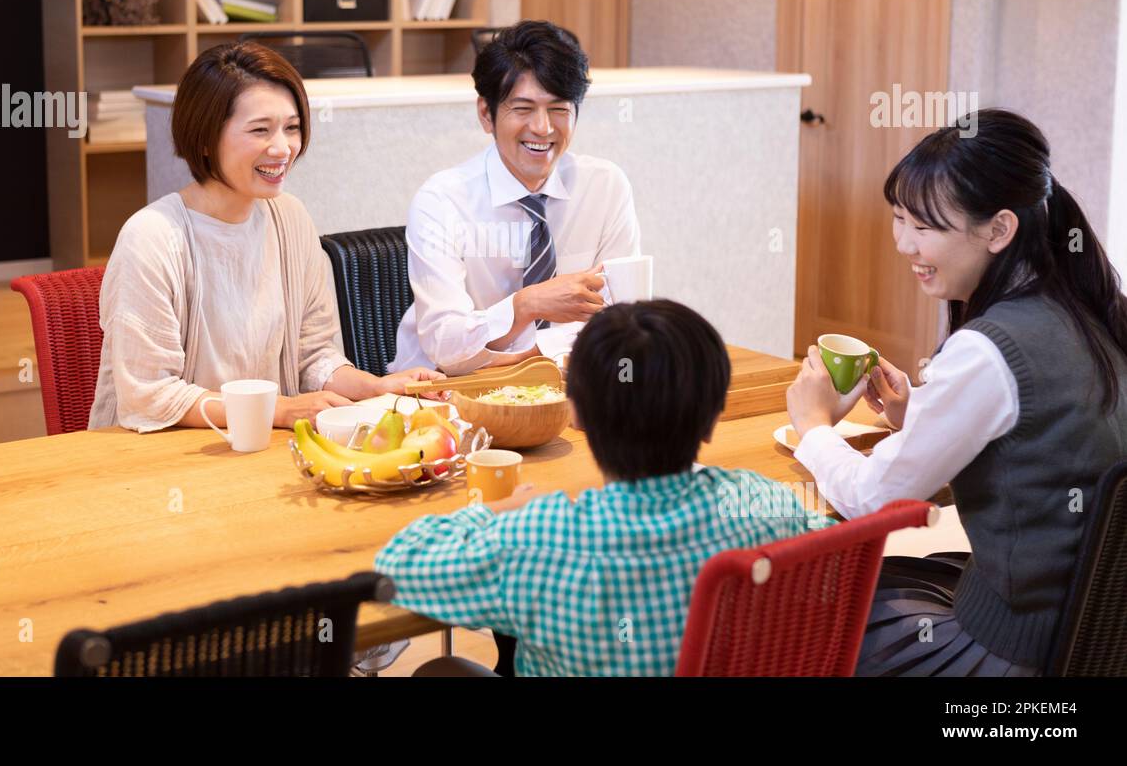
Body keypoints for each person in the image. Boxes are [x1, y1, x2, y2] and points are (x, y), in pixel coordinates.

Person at [785, 108, 1127, 676]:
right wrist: (916, 412)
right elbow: (1050, 435)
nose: (903, 244)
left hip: (1013, 652)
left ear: (999, 229)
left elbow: (873, 499)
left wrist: (814, 426)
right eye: (899, 218)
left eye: (925, 227)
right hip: (1093, 637)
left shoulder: (990, 349)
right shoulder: (1095, 310)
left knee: (811, 611)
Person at [375, 299, 830, 676]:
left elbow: (397, 565)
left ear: (576, 415)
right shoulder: (761, 504)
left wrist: (496, 511)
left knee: (440, 670)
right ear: (713, 418)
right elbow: (837, 546)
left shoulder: (538, 536)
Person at [88, 42, 441, 433]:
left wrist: (376, 388)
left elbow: (313, 356)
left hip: (260, 449)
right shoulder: (153, 237)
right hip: (160, 458)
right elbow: (151, 396)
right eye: (260, 130)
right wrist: (279, 411)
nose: (283, 148)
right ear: (205, 138)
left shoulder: (290, 219)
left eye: (291, 127)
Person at [389, 20, 641, 376]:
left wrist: (534, 354)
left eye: (558, 108)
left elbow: (622, 322)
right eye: (522, 108)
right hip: (444, 393)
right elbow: (445, 345)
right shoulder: (442, 200)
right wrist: (528, 305)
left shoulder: (606, 187)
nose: (542, 128)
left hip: (562, 386)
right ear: (485, 114)